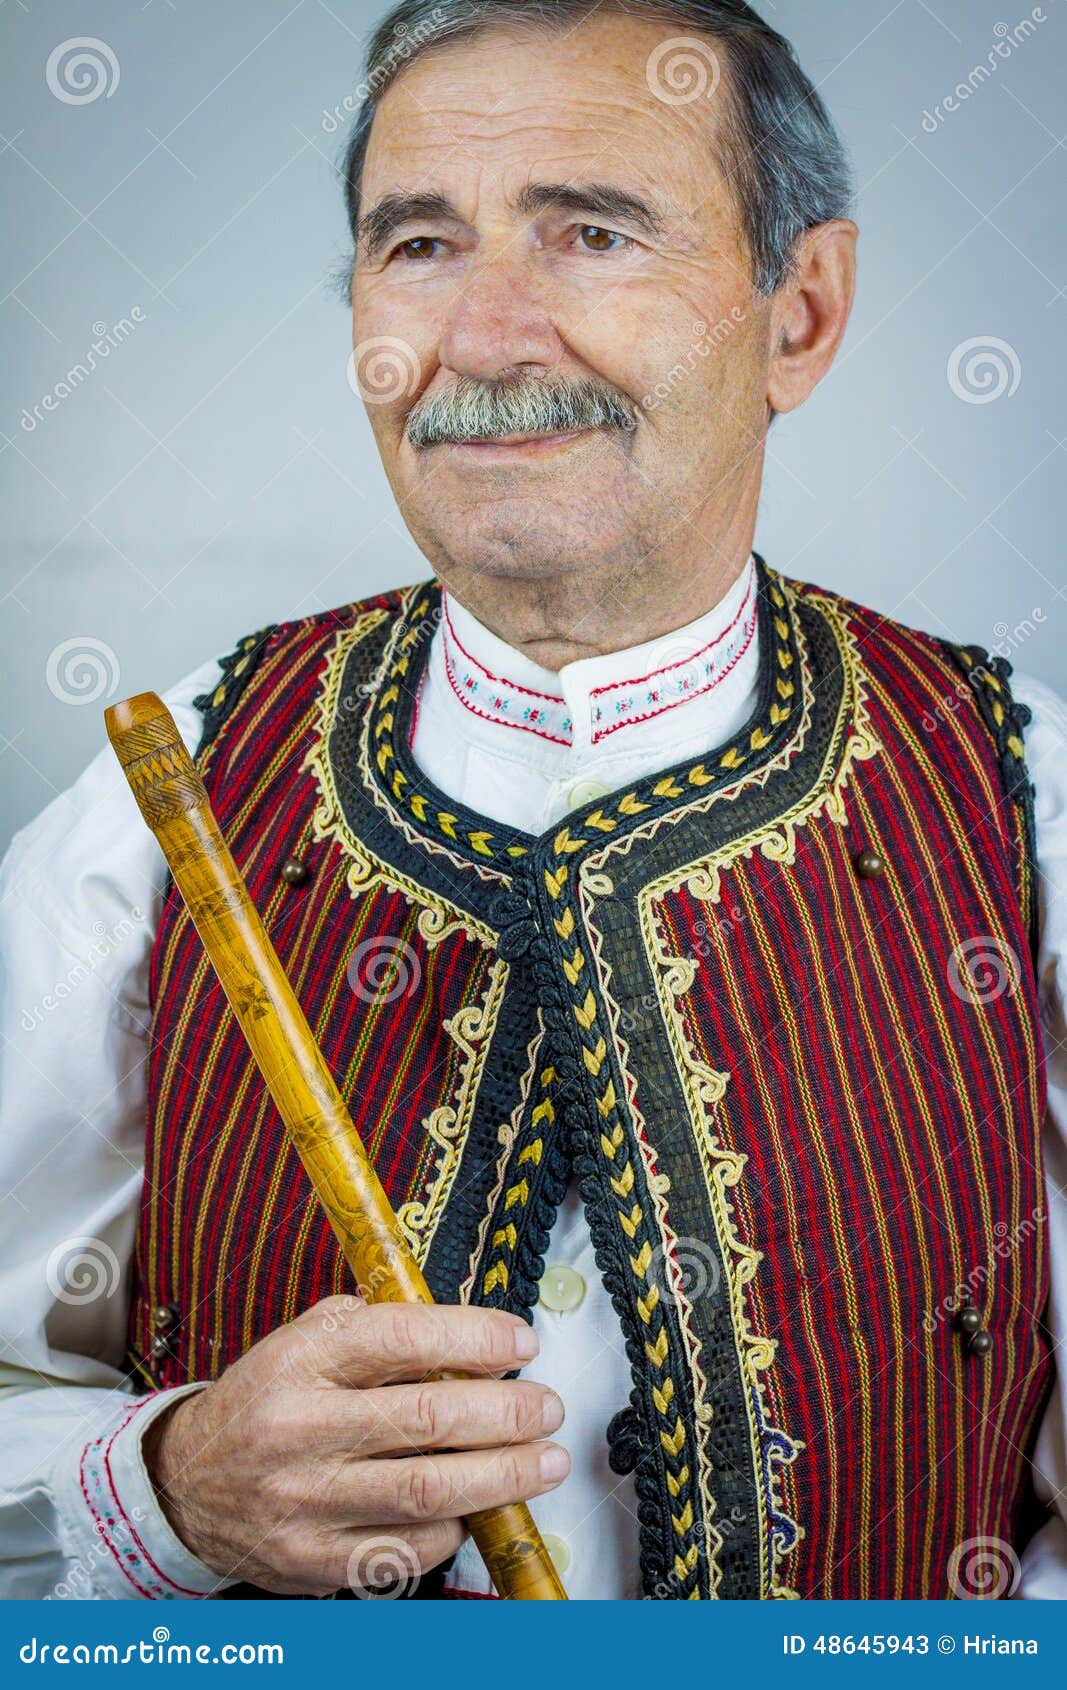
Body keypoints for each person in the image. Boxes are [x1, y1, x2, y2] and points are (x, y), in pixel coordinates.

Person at [2, 0, 1065, 1602]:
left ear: (801, 314)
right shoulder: (160, 803)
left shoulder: (1023, 798)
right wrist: (160, 1485)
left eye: (593, 233)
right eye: (420, 244)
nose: (487, 338)